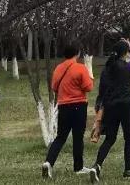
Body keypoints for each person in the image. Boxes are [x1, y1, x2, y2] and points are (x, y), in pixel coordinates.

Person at [88, 38, 130, 182]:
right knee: (128, 137)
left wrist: (99, 106)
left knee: (110, 138)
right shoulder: (126, 67)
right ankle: (128, 170)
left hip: (110, 106)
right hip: (126, 105)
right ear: (125, 52)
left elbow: (102, 90)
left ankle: (97, 165)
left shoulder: (107, 69)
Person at [42, 44, 95, 180]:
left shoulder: (58, 68)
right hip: (78, 106)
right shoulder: (80, 68)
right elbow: (89, 87)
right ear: (77, 53)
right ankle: (78, 167)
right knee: (78, 137)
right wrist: (90, 77)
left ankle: (48, 162)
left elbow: (54, 87)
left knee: (60, 137)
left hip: (63, 107)